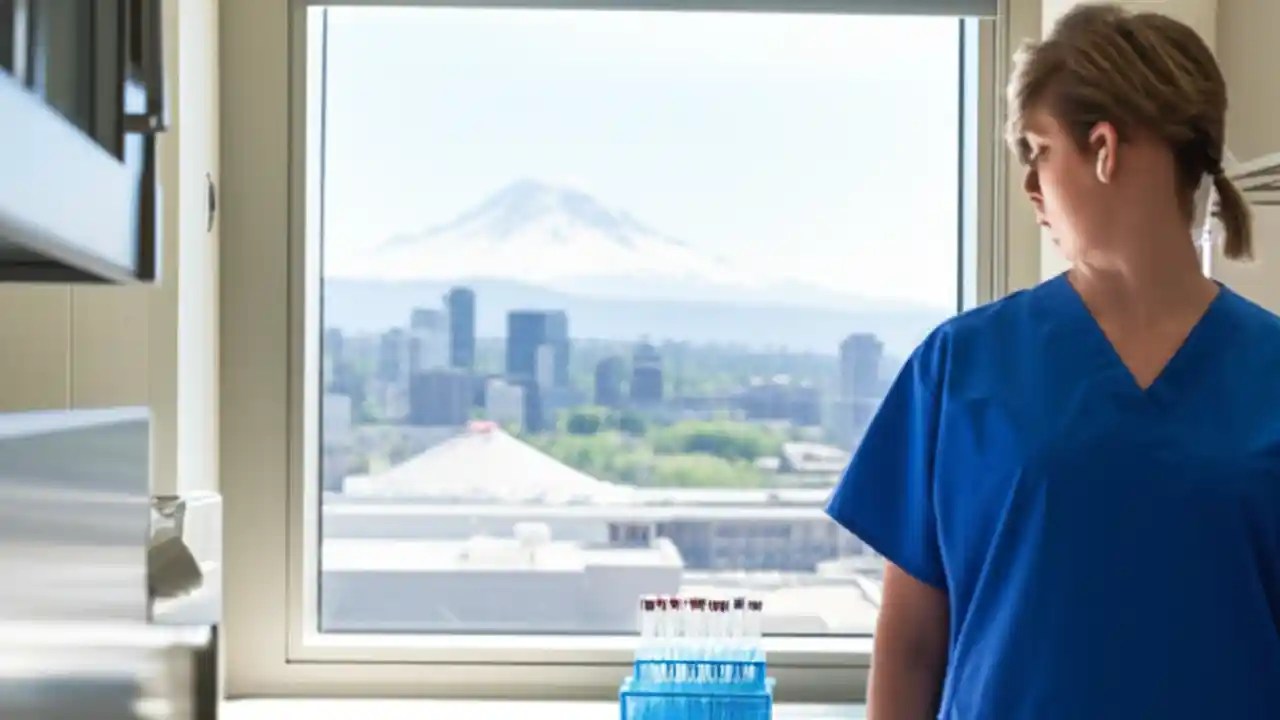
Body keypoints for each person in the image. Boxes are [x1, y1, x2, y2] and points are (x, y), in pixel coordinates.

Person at [826, 4, 1280, 718]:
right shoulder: (960, 366)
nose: (1031, 191)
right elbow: (912, 645)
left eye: (1037, 151)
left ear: (1102, 147)